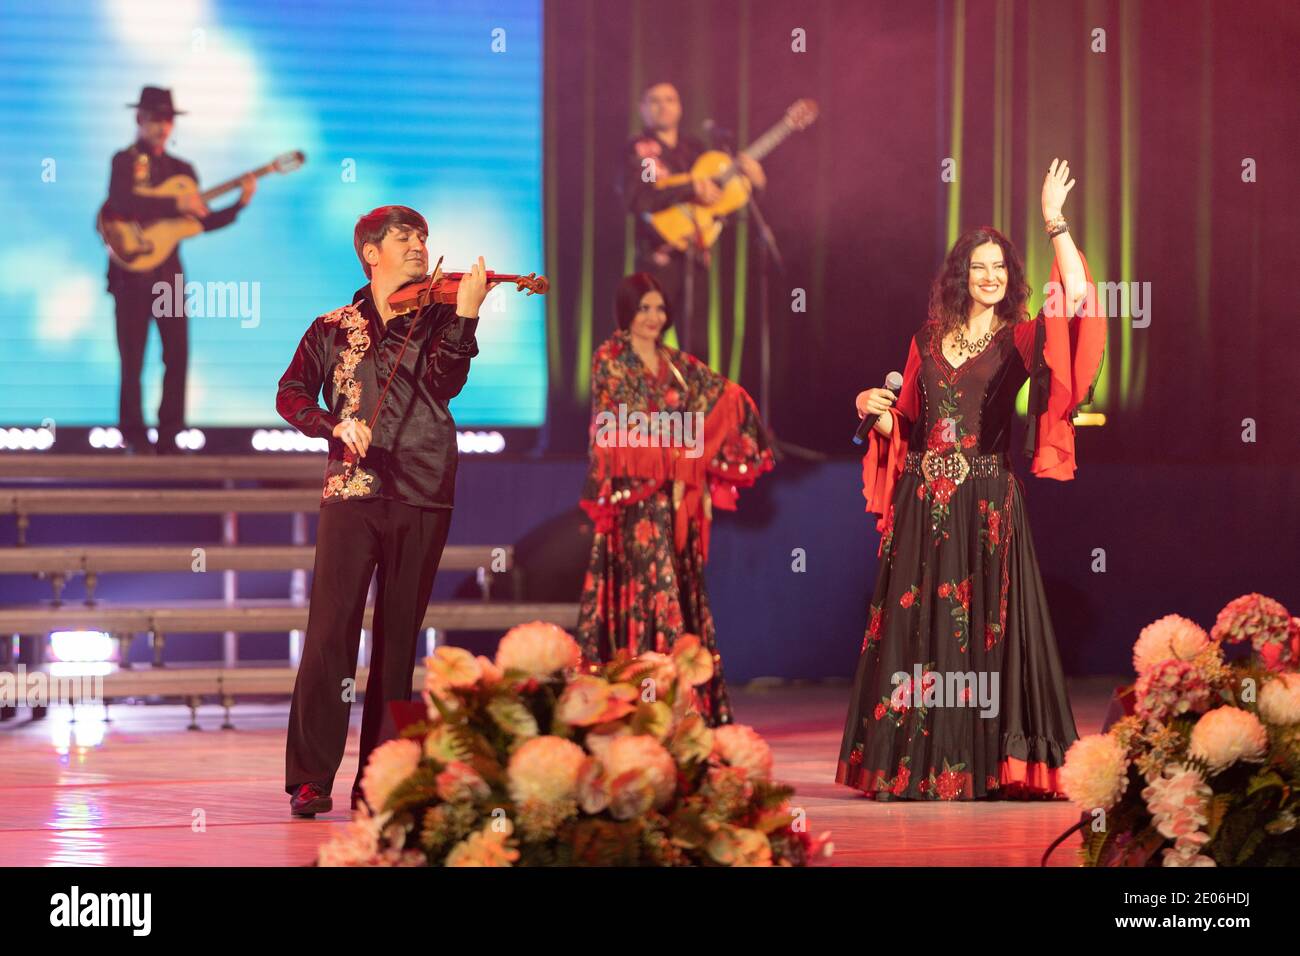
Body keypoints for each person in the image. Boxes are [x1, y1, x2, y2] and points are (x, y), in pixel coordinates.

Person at [836, 159, 1106, 800]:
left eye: (999, 268)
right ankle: (917, 767)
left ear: (1010, 279)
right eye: (978, 267)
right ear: (961, 277)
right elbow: (904, 426)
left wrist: (1054, 222)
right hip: (922, 502)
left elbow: (1077, 300)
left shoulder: (1021, 339)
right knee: (920, 633)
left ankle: (985, 765)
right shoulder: (925, 339)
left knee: (982, 636)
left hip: (987, 502)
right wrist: (874, 411)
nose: (990, 276)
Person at [276, 205, 489, 817]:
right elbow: (290, 393)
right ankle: (311, 777)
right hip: (352, 487)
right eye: (404, 237)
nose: (420, 245)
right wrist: (333, 423)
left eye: (423, 236)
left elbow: (446, 384)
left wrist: (467, 315)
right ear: (371, 253)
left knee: (399, 640)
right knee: (329, 633)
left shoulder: (444, 312)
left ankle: (384, 777)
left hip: (424, 484)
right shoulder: (332, 326)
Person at [577, 273, 774, 726]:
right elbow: (613, 429)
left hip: (673, 502)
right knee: (650, 593)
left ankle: (682, 716)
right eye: (644, 308)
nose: (653, 317)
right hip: (631, 506)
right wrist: (679, 451)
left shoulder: (678, 364)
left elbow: (726, 397)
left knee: (676, 593)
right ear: (627, 311)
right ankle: (630, 711)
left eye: (659, 309)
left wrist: (694, 460)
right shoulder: (610, 359)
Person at [105, 86, 255, 454]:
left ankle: (170, 435)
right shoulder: (124, 162)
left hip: (168, 275)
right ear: (139, 119)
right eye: (155, 118)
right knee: (132, 356)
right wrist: (175, 202)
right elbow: (121, 202)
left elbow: (196, 223)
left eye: (167, 119)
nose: (161, 126)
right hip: (130, 275)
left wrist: (238, 204)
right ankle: (133, 435)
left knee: (176, 354)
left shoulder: (183, 170)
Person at [620, 81, 765, 354]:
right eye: (655, 100)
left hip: (696, 258)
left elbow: (726, 206)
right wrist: (689, 188)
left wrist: (755, 183)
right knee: (648, 345)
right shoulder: (638, 150)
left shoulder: (696, 149)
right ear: (642, 109)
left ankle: (695, 397)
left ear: (680, 107)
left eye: (670, 99)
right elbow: (638, 199)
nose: (663, 106)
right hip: (657, 259)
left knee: (697, 346)